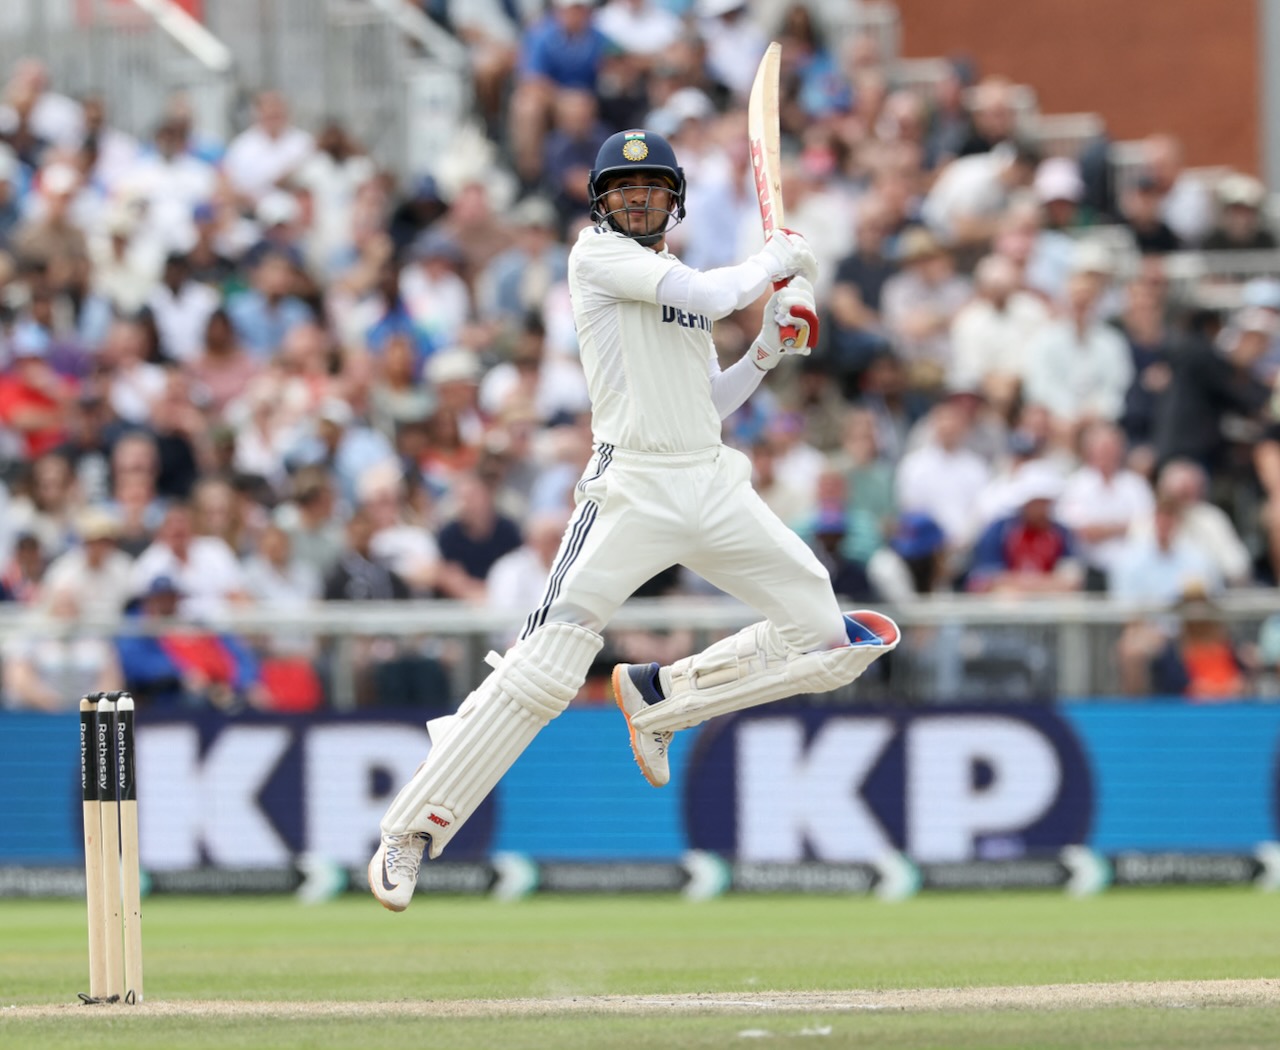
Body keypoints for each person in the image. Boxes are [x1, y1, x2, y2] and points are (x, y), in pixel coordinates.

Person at [368, 128, 899, 911]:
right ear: (601, 203)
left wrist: (764, 355)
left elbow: (704, 406)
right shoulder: (597, 257)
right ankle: (411, 830)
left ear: (674, 201)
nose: (639, 200)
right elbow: (721, 294)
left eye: (652, 189)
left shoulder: (673, 280)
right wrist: (777, 259)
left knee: (833, 639)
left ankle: (663, 696)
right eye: (624, 191)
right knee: (546, 670)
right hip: (632, 488)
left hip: (710, 480)